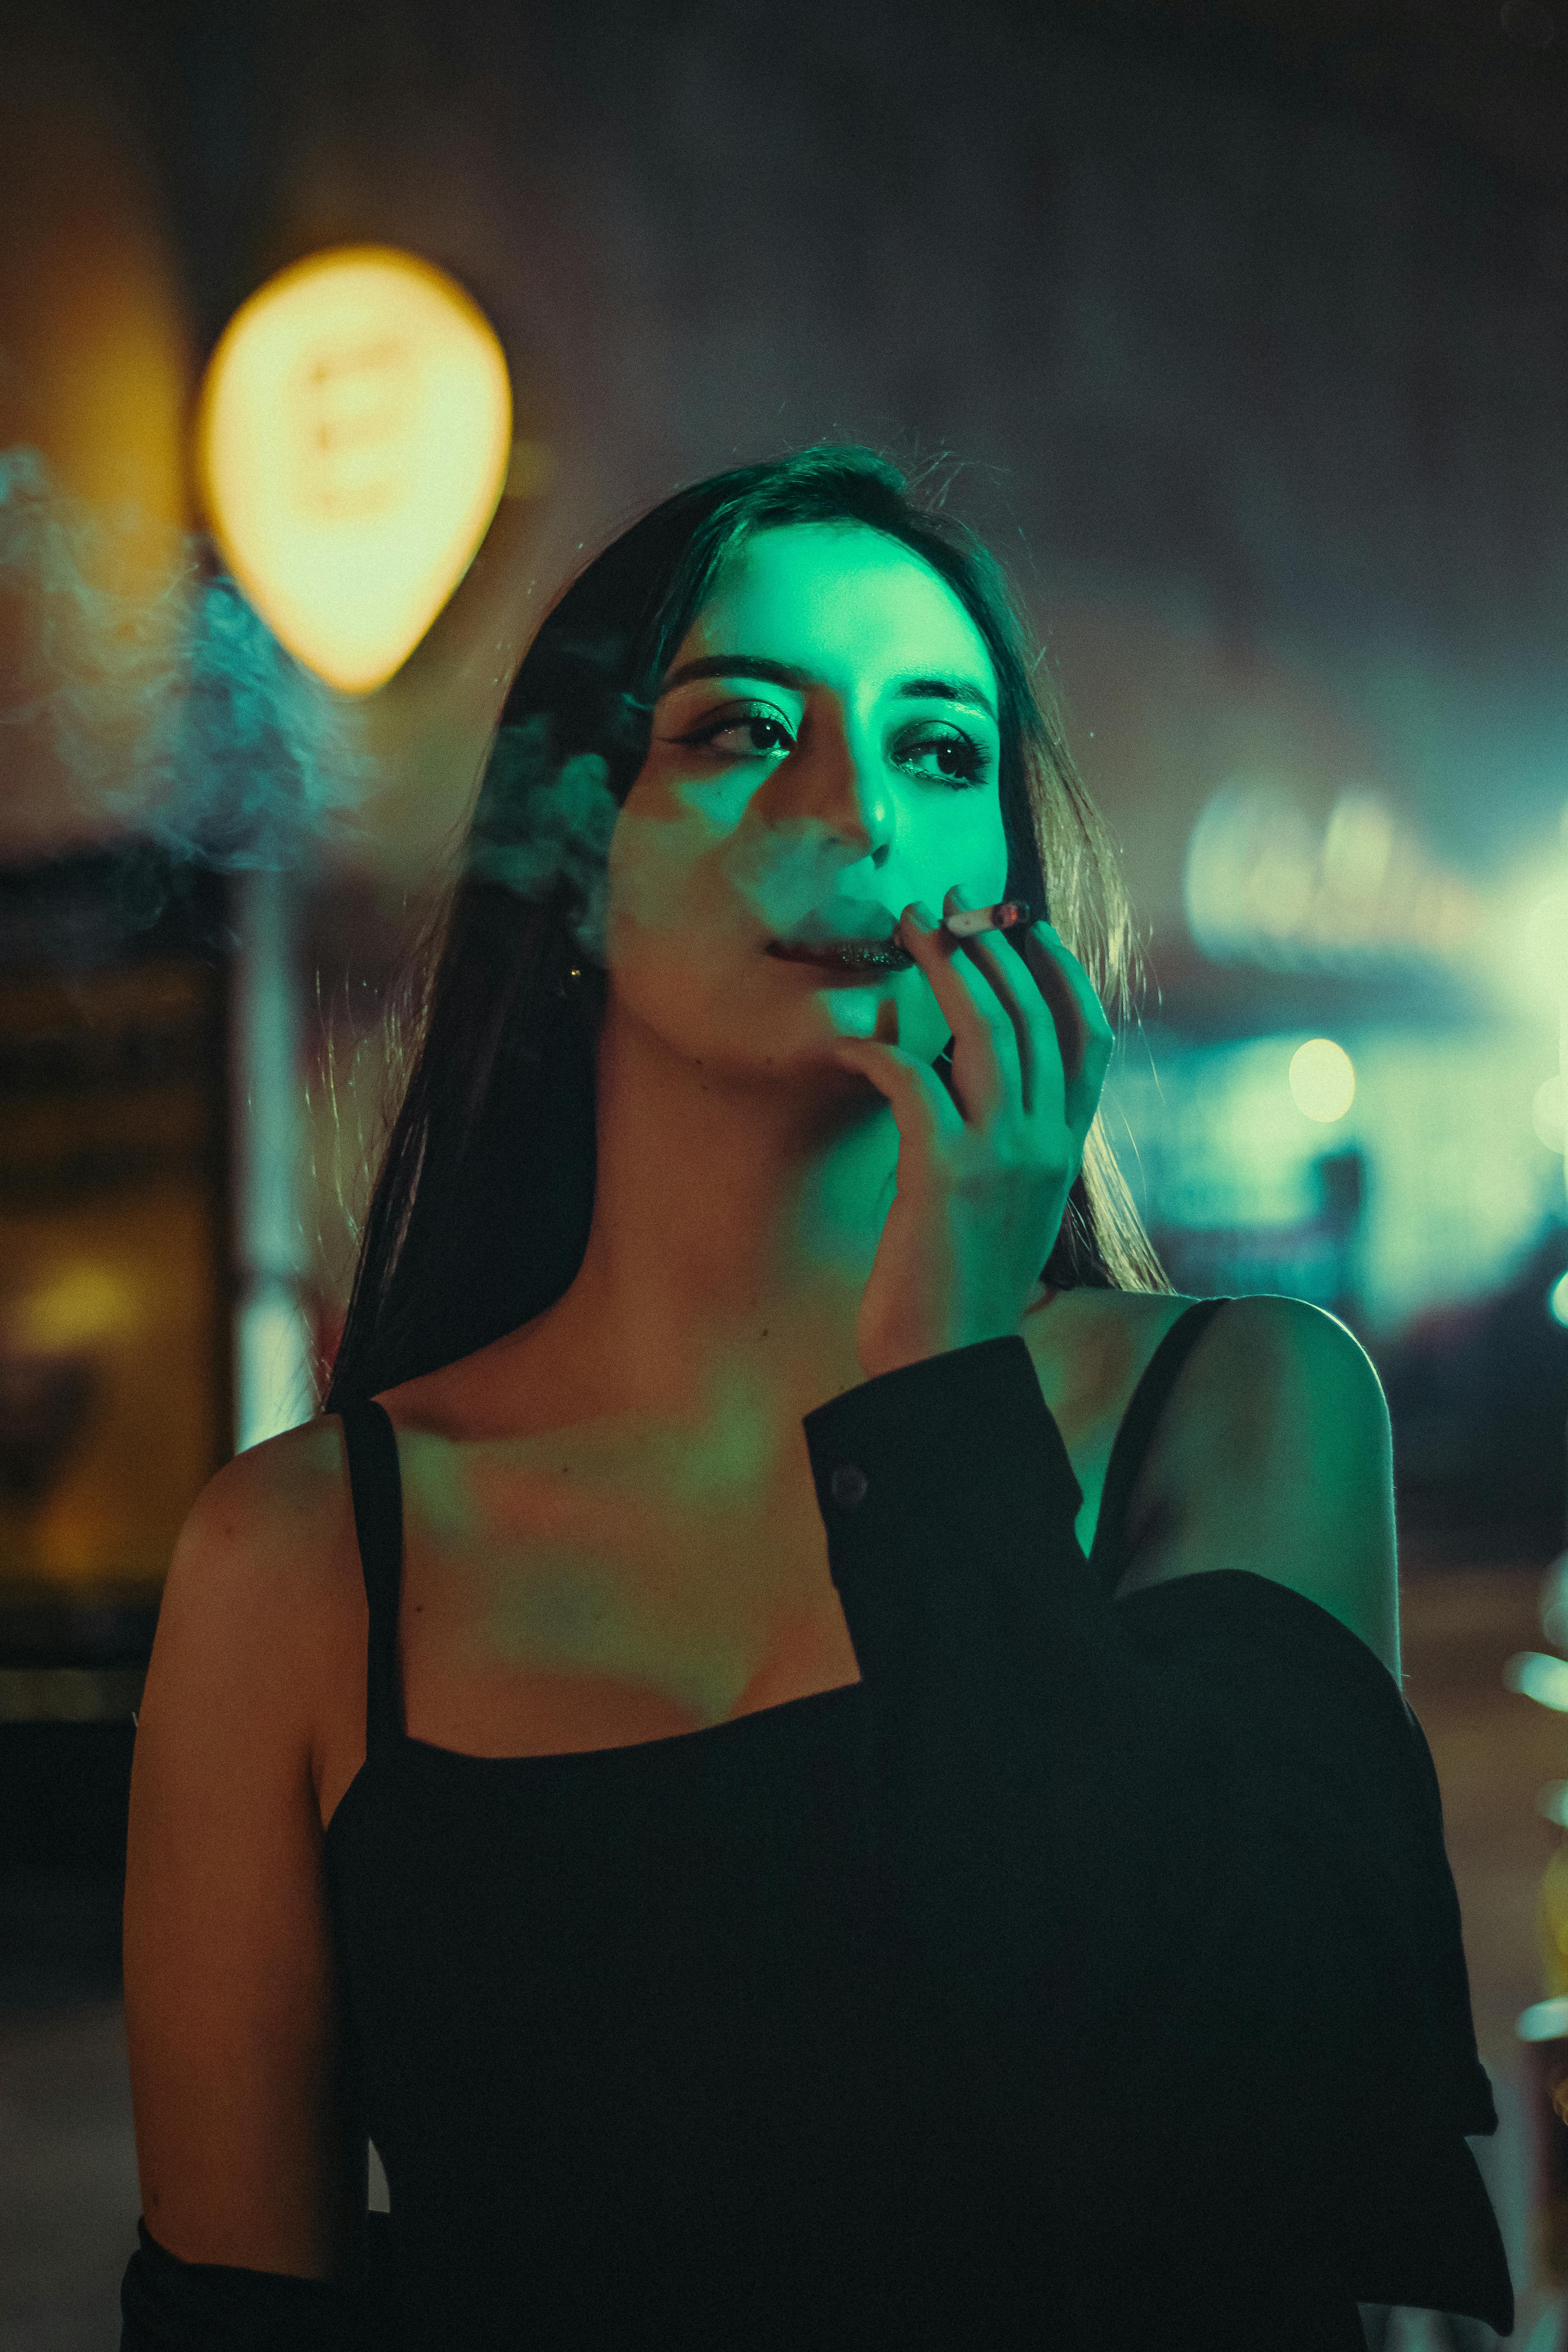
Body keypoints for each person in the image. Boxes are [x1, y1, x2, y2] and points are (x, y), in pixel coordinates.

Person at [118, 446, 1512, 2351]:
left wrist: (937, 1374)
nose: (856, 806)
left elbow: (1244, 2141)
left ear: (1006, 881)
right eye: (736, 731)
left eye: (941, 752)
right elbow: (234, 2315)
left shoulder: (1240, 1408)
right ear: (578, 861)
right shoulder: (299, 1555)